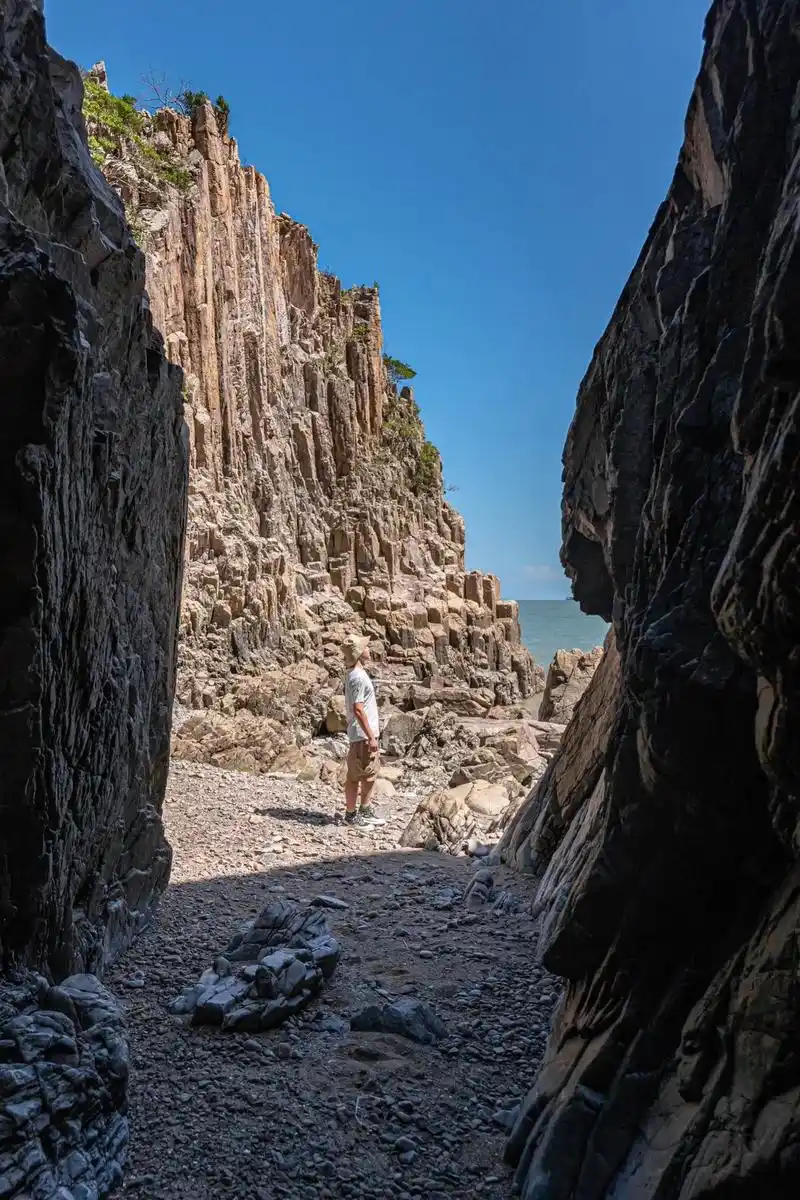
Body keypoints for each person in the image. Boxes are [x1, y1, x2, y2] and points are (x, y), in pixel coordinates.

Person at [342, 634, 380, 826]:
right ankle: (351, 814)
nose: (369, 649)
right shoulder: (357, 677)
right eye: (366, 647)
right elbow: (358, 708)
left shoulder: (356, 674)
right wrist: (371, 736)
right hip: (362, 734)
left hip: (364, 733)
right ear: (358, 653)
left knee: (369, 773)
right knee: (357, 774)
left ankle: (364, 809)